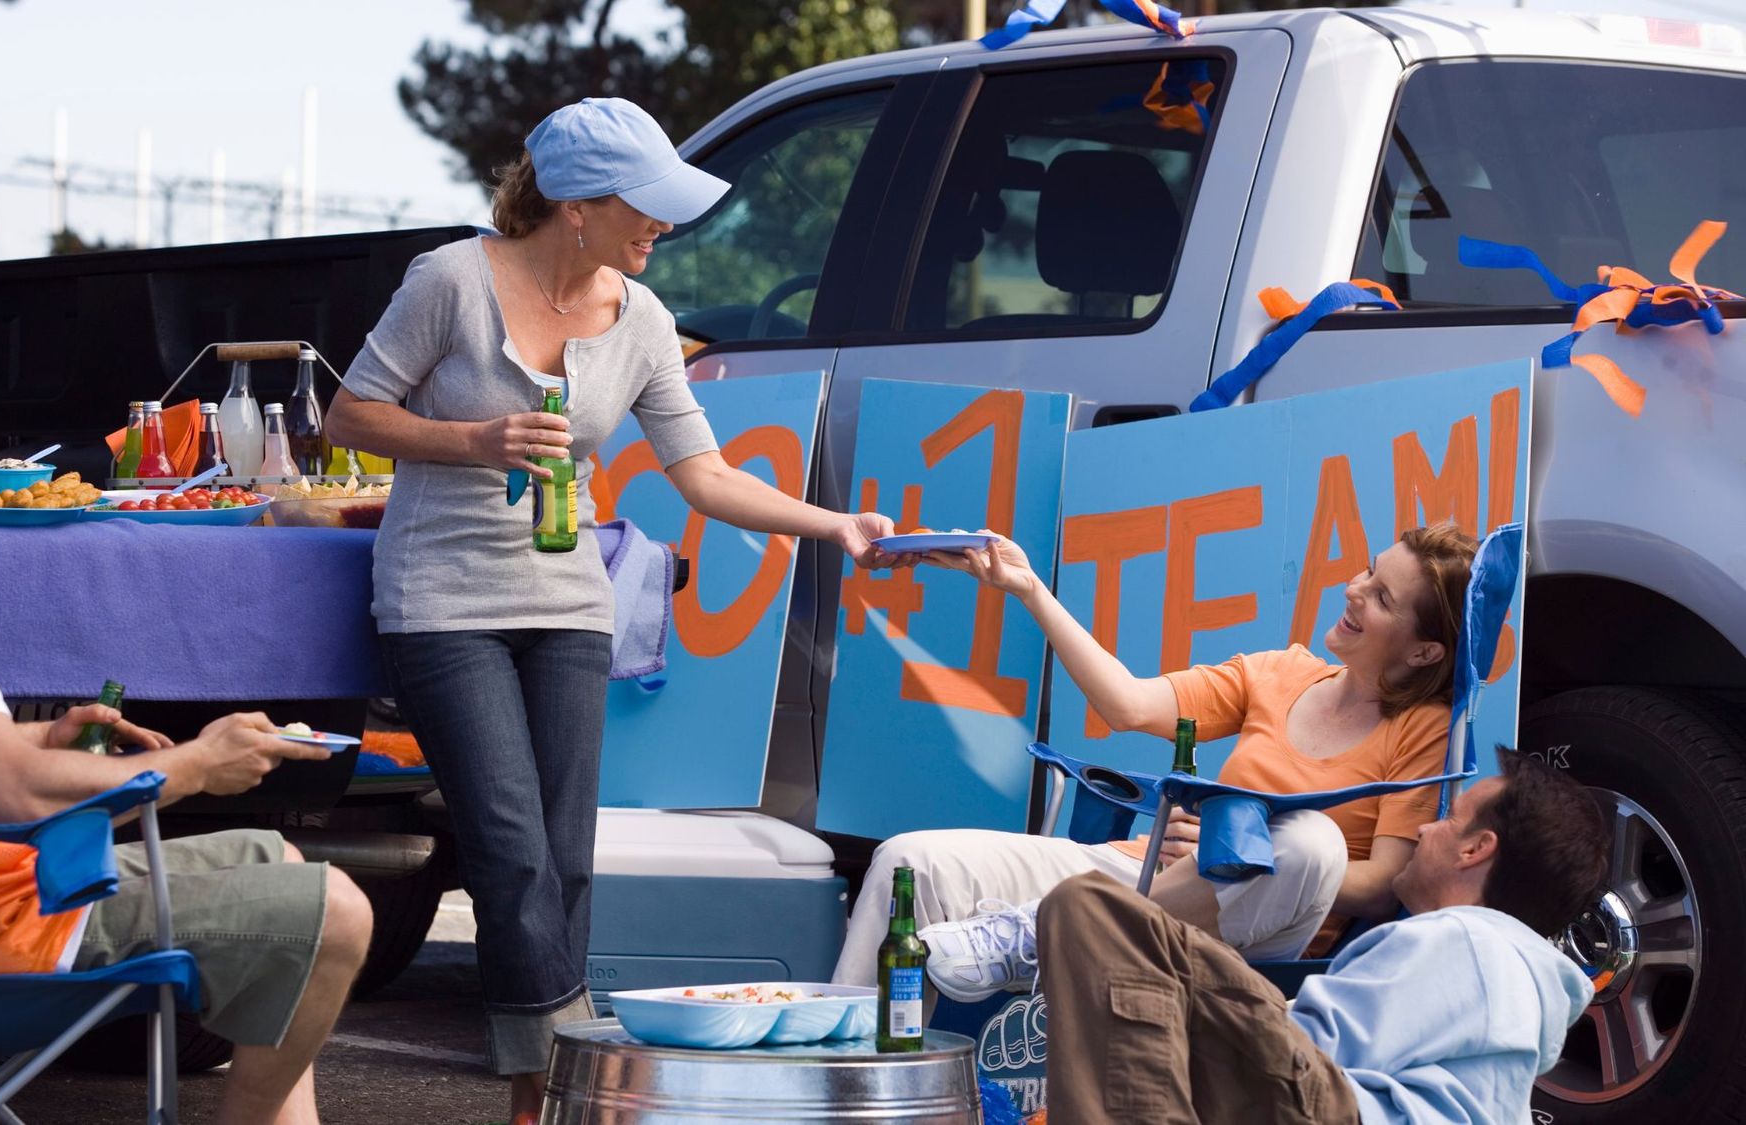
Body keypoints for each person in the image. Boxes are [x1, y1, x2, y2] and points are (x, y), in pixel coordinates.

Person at [321, 97, 901, 1123]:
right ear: (576, 205)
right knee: (506, 848)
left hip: (567, 598)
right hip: (442, 600)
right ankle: (554, 1083)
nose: (661, 229)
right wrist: (476, 443)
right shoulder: (450, 282)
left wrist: (831, 525)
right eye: (646, 207)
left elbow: (707, 474)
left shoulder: (639, 320)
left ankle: (543, 1088)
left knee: (565, 852)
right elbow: (348, 415)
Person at [0, 315, 373, 1125]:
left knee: (278, 858)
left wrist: (37, 735)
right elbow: (14, 800)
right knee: (336, 910)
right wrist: (197, 763)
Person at [832, 523, 1480, 999]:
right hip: (1142, 875)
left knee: (1310, 842)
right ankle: (844, 1076)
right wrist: (1029, 589)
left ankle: (1042, 931)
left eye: (1383, 596)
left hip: (1255, 935)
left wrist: (1243, 852)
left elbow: (1384, 882)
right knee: (908, 862)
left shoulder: (1420, 729)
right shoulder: (1280, 672)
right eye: (1368, 571)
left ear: (1425, 652)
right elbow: (1127, 704)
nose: (1354, 588)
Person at [1036, 749, 1607, 1124]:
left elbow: (1321, 1048)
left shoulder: (1465, 938)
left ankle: (1019, 935)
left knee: (1094, 910)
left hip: (1332, 1109)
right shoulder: (1519, 979)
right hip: (1331, 1100)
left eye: (1449, 819)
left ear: (1474, 849)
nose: (1427, 828)